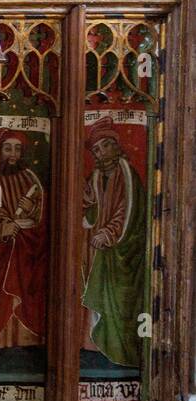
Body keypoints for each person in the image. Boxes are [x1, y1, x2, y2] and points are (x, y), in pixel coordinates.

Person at [81, 119, 148, 367]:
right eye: (96, 149)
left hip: (124, 247)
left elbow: (127, 210)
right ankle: (94, 344)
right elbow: (91, 204)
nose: (101, 152)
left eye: (105, 146)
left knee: (120, 297)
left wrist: (108, 233)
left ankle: (119, 349)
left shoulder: (126, 173)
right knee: (97, 290)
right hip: (102, 248)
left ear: (115, 146)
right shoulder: (98, 175)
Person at [0, 129, 48, 343]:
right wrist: (3, 224)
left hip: (28, 244)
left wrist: (32, 206)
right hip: (4, 245)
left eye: (17, 149)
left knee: (29, 291)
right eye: (8, 148)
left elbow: (41, 209)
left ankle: (24, 340)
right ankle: (0, 341)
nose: (12, 154)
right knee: (0, 293)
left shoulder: (29, 177)